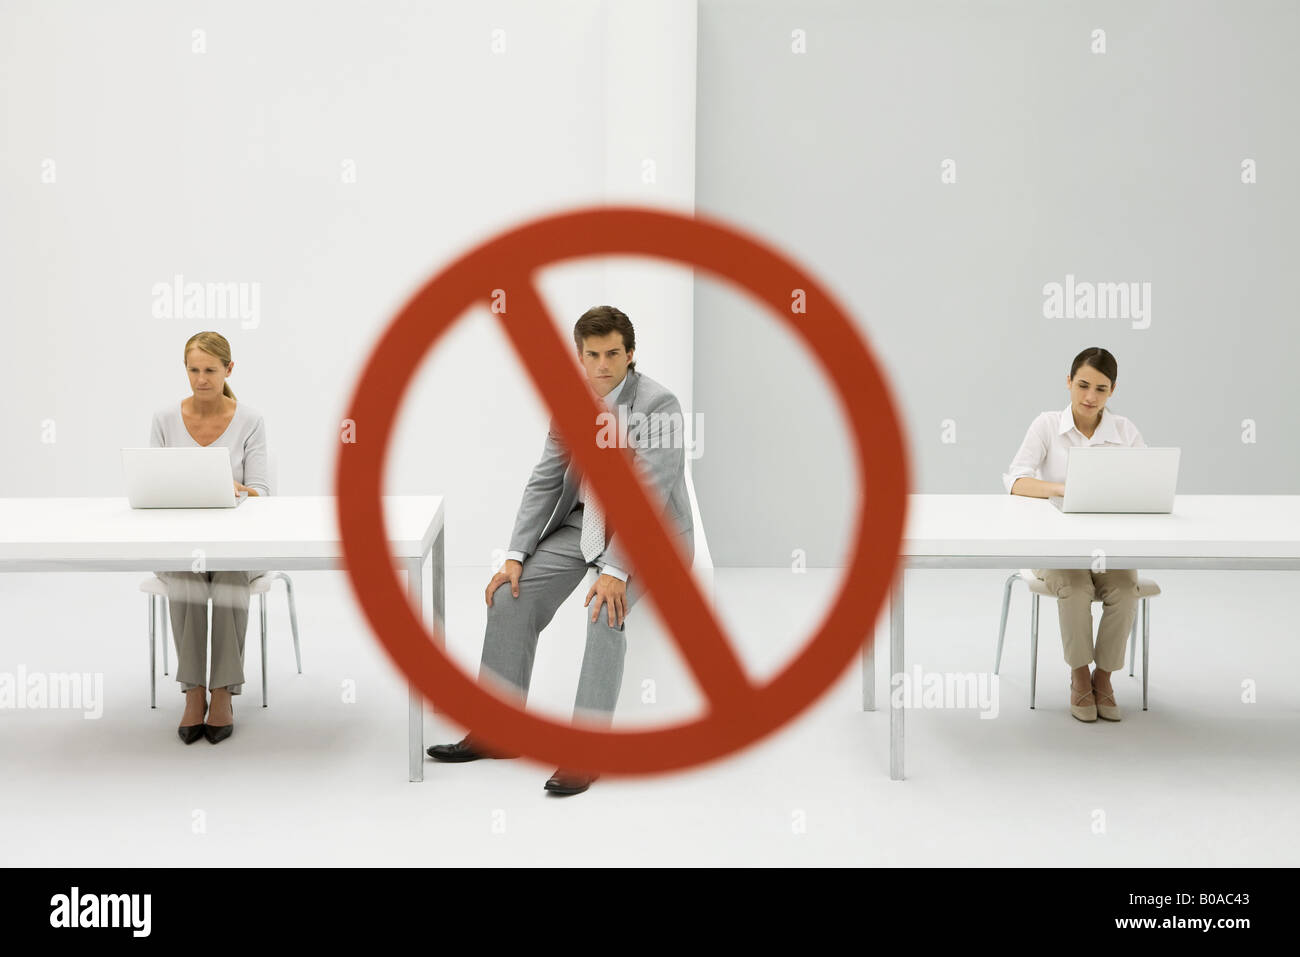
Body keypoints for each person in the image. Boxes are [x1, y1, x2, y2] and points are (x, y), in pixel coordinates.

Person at [427, 305, 694, 795]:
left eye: (613, 354)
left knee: (603, 608)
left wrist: (615, 569)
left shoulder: (661, 407)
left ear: (631, 354)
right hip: (585, 523)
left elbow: (652, 495)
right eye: (591, 355)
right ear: (579, 357)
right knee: (511, 594)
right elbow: (546, 481)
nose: (602, 366)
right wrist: (515, 556)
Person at [1003, 346, 1145, 723]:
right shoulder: (1047, 425)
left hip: (1109, 549)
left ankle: (1104, 678)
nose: (1089, 397)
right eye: (1082, 385)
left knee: (1125, 589)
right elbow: (1015, 481)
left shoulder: (1125, 432)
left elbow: (1146, 487)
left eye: (1100, 389)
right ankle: (1080, 675)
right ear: (1068, 382)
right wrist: (1064, 489)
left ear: (1112, 391)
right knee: (1077, 588)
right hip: (1056, 550)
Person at [151, 331, 269, 744]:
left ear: (228, 370)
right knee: (186, 577)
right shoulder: (165, 420)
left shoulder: (249, 420)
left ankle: (222, 691)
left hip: (236, 542)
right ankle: (193, 690)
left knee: (231, 576)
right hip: (181, 541)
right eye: (194, 370)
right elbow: (153, 484)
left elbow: (263, 490)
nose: (201, 379)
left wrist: (241, 489)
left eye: (210, 370)